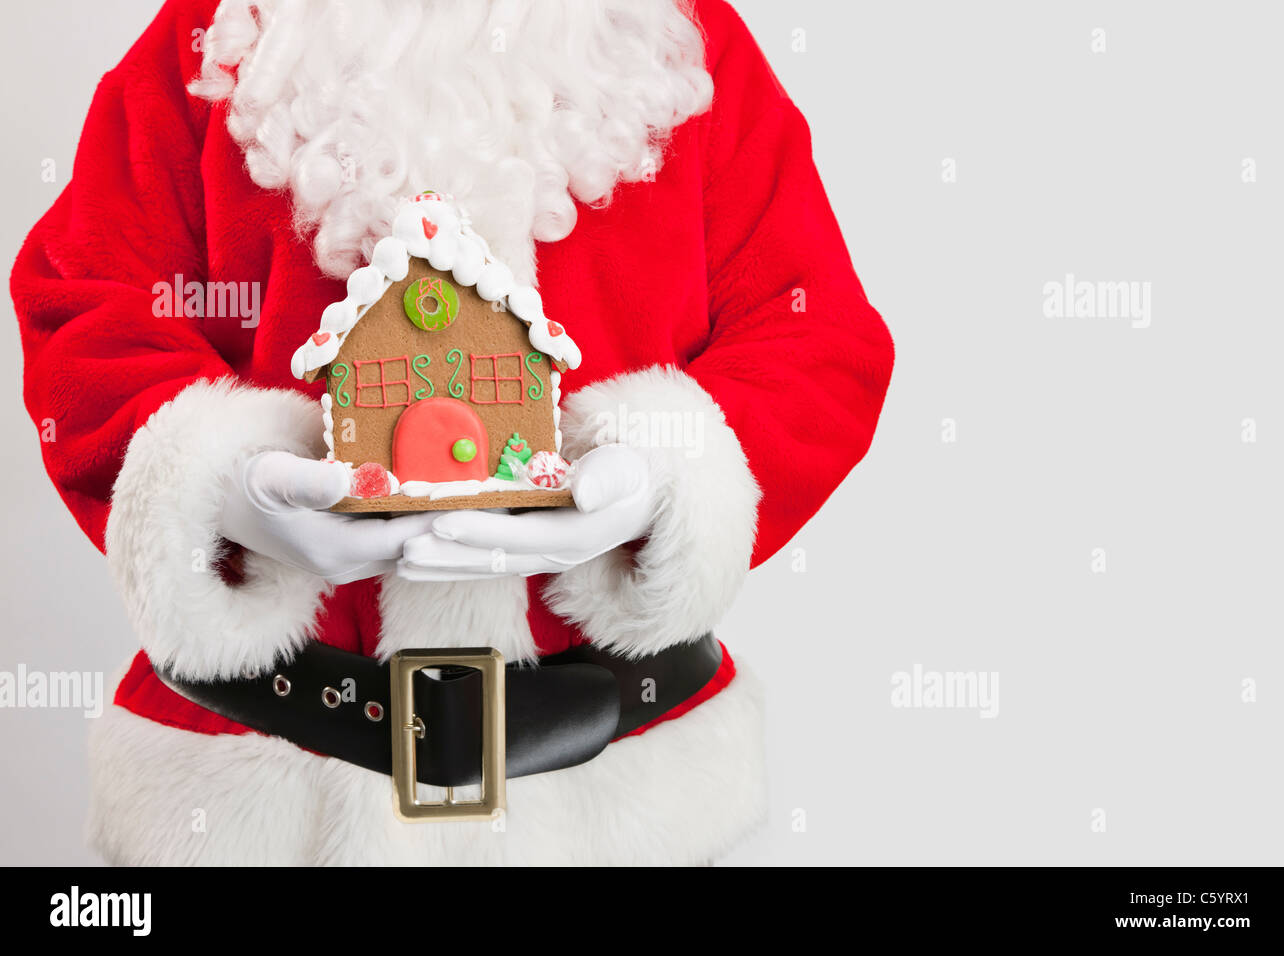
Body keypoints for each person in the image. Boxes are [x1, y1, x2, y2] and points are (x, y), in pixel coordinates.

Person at [11, 0, 893, 865]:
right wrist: (223, 486)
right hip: (270, 798)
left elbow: (813, 333)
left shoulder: (685, 37)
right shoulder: (209, 38)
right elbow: (86, 307)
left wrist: (669, 474)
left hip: (619, 794)